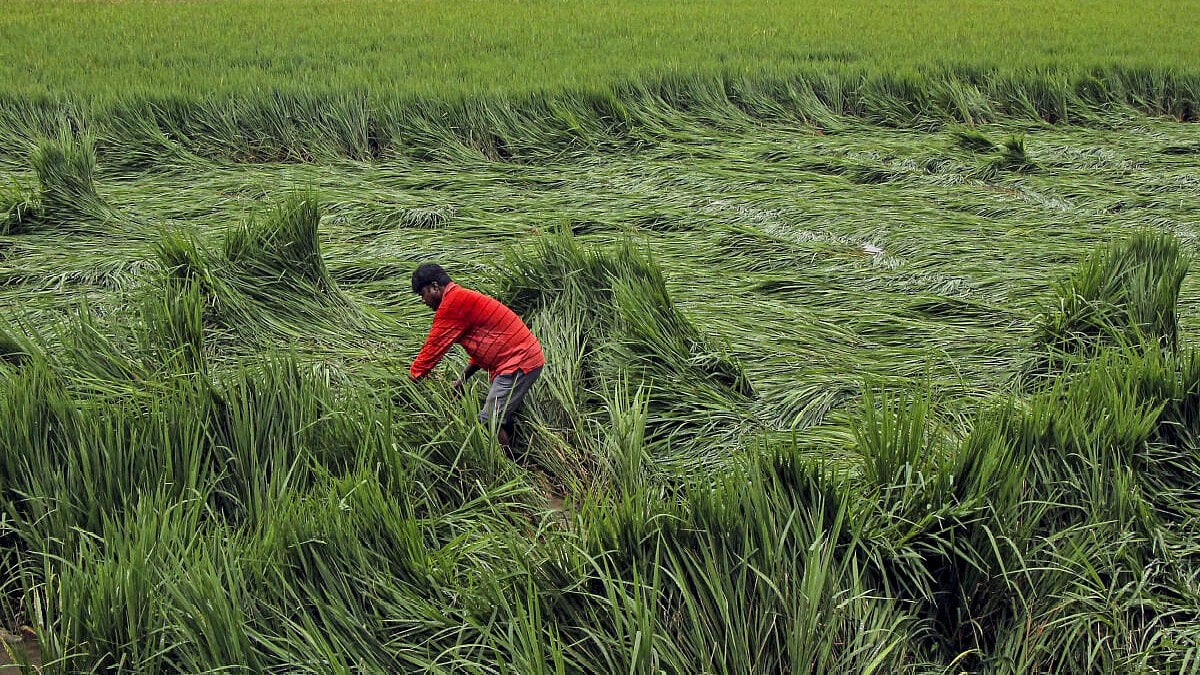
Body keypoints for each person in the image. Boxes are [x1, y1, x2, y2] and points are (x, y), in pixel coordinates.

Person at [408, 263, 545, 453]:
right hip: (519, 358)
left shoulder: (453, 304)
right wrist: (462, 379)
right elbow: (486, 347)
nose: (423, 300)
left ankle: (508, 471)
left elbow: (433, 348)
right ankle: (516, 453)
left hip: (518, 362)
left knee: (490, 420)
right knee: (500, 415)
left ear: (434, 287)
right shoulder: (461, 297)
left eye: (422, 294)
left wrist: (411, 380)